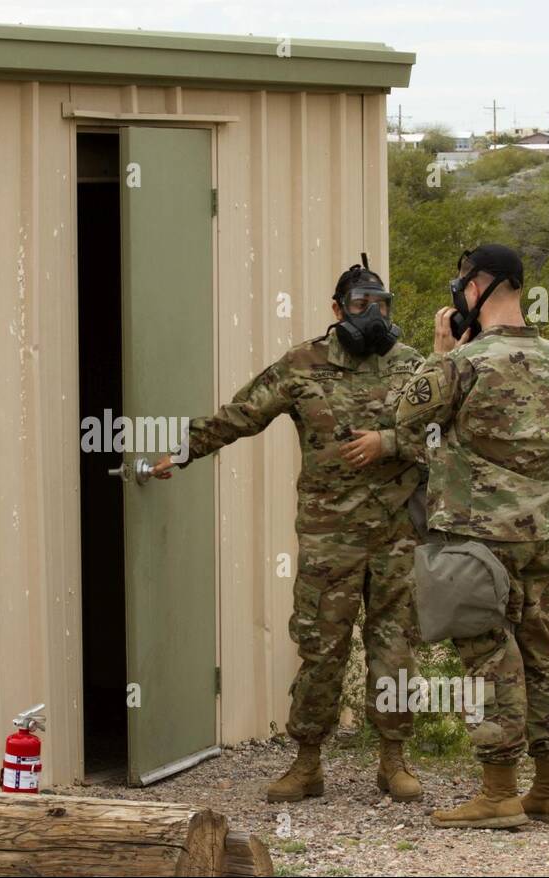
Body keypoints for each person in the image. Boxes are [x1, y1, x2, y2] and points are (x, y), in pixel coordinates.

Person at [150, 257, 426, 803]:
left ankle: (394, 761)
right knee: (322, 648)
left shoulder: (412, 367)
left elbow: (444, 437)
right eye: (359, 305)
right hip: (329, 539)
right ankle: (307, 763)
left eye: (382, 305)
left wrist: (388, 443)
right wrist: (180, 452)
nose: (373, 315)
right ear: (337, 310)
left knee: (395, 649)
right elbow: (241, 415)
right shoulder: (302, 365)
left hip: (397, 537)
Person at [393, 243, 549, 829]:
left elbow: (406, 418)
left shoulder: (465, 362)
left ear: (475, 288)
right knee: (544, 651)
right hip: (545, 533)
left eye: (461, 283)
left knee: (485, 657)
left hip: (476, 536)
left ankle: (498, 792)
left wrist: (441, 351)